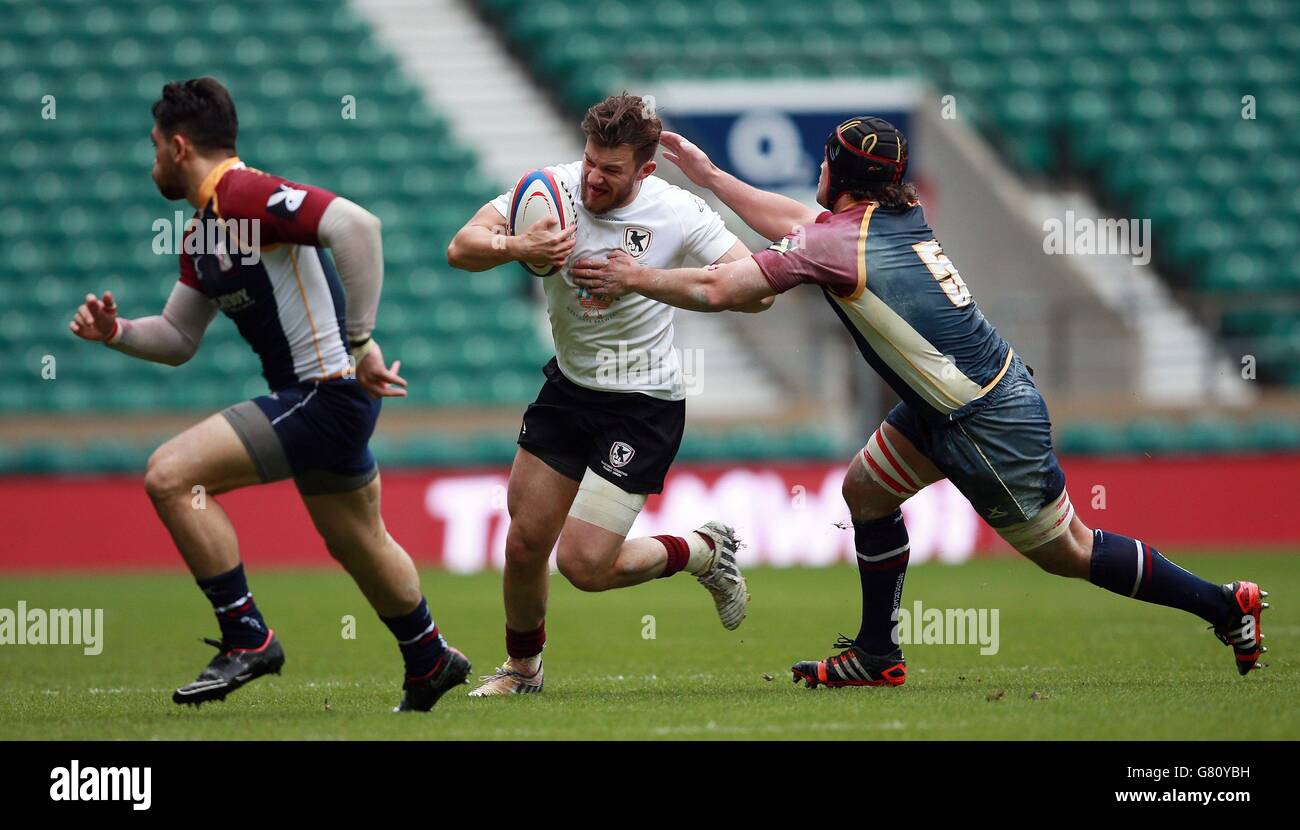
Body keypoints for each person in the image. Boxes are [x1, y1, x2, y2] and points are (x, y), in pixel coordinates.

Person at [570, 117, 1268, 687]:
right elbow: (795, 221)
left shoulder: (839, 245)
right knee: (866, 492)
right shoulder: (886, 217)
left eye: (824, 161)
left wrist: (636, 276)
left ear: (838, 176)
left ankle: (1222, 604)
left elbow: (728, 290)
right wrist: (712, 178)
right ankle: (878, 653)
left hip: (985, 421)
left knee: (1067, 551)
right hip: (952, 405)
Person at [69, 77, 470, 711]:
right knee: (357, 543)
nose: (151, 163)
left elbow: (357, 226)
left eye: (152, 149)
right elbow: (177, 336)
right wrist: (114, 332)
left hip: (327, 393)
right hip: (320, 401)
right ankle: (429, 658)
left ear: (178, 147)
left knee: (170, 476)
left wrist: (361, 342)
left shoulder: (241, 192)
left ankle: (247, 636)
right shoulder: (204, 230)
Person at [446, 94, 758, 696]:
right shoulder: (550, 190)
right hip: (569, 389)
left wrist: (639, 278)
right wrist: (518, 247)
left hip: (642, 405)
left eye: (611, 169)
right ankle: (522, 670)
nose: (593, 176)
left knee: (584, 567)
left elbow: (753, 288)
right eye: (590, 159)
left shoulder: (680, 212)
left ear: (646, 169)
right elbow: (461, 248)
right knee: (524, 539)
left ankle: (702, 550)